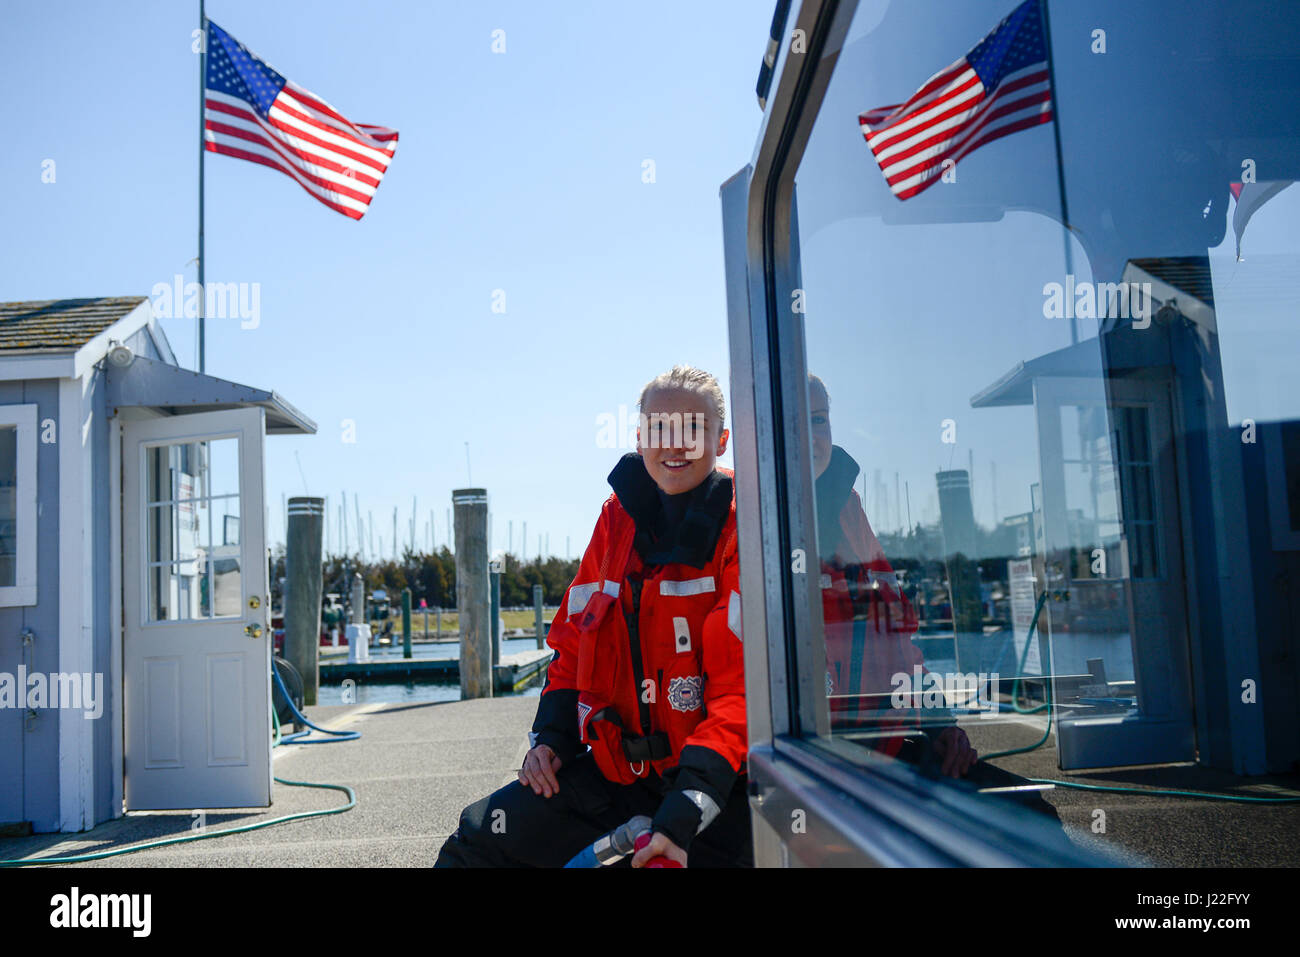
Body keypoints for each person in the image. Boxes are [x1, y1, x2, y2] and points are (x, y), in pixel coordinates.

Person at [435, 365, 750, 867]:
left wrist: (691, 801)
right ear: (640, 437)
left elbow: (743, 691)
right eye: (658, 429)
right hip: (617, 776)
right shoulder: (616, 519)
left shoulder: (744, 525)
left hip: (716, 784)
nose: (674, 445)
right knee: (481, 839)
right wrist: (551, 742)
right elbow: (574, 644)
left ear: (722, 439)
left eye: (692, 428)